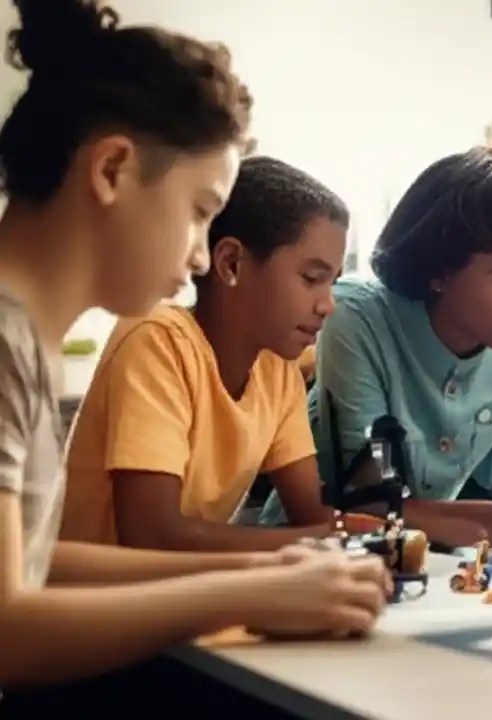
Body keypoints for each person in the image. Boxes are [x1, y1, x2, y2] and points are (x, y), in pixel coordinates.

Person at [0, 0, 387, 692]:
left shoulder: (24, 342)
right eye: (199, 212)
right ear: (112, 170)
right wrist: (246, 594)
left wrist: (265, 569)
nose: (203, 259)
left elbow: (42, 564)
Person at [266, 147, 492, 574]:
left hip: (430, 562)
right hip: (311, 554)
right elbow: (371, 501)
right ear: (439, 271)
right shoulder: (358, 321)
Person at [60, 155, 377, 552]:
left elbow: (312, 515)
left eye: (332, 283)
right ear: (230, 263)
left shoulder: (278, 370)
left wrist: (380, 537)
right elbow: (151, 535)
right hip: (101, 601)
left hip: (183, 593)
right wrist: (315, 541)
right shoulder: (157, 343)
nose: (327, 304)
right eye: (312, 279)